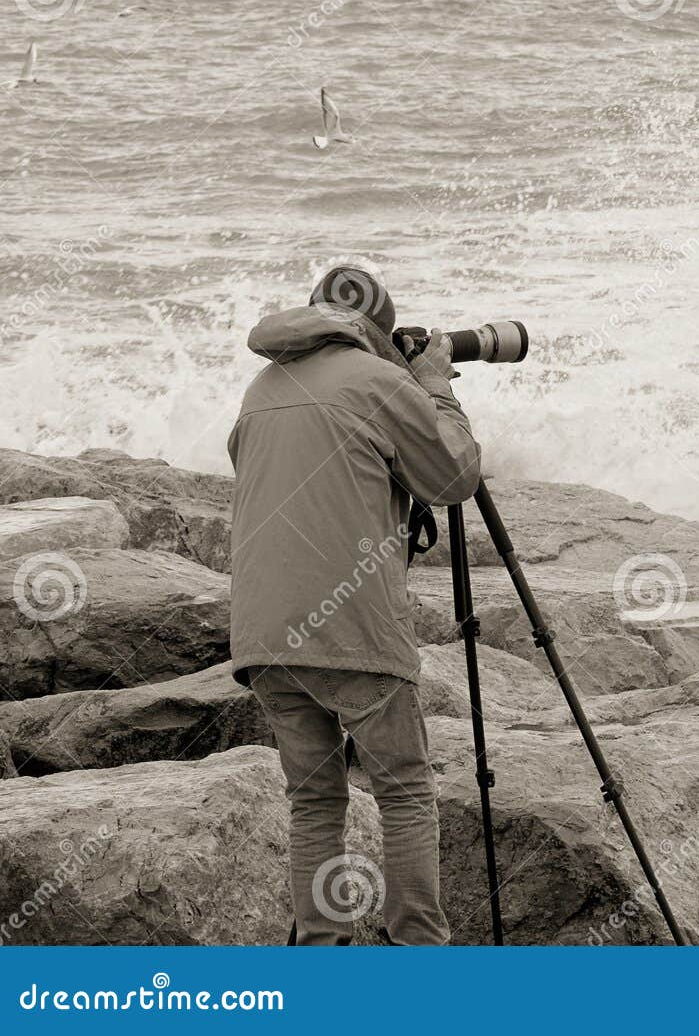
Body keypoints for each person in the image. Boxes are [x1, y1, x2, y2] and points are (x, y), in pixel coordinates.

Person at [227, 265, 481, 945]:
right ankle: (418, 952)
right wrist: (435, 388)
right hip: (352, 630)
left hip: (262, 635)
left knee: (313, 797)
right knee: (402, 788)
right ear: (376, 333)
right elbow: (455, 474)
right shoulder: (381, 381)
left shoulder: (261, 387)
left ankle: (320, 957)